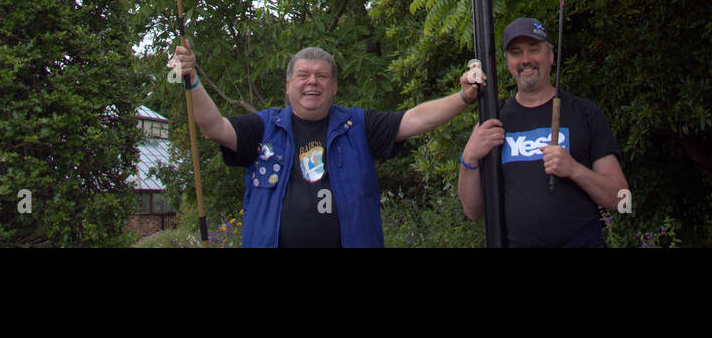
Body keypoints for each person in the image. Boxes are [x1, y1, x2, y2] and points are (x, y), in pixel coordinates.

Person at [173, 42, 484, 247]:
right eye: (303, 75)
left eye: (321, 76)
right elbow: (214, 128)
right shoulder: (264, 127)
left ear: (334, 86)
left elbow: (415, 119)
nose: (312, 82)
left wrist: (462, 98)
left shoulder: (358, 125)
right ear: (288, 85)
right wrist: (193, 80)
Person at [457, 17, 628, 247]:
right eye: (516, 52)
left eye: (534, 49)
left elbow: (623, 200)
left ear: (550, 56)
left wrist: (575, 170)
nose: (525, 59)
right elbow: (472, 211)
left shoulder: (585, 113)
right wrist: (469, 158)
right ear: (508, 62)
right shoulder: (493, 123)